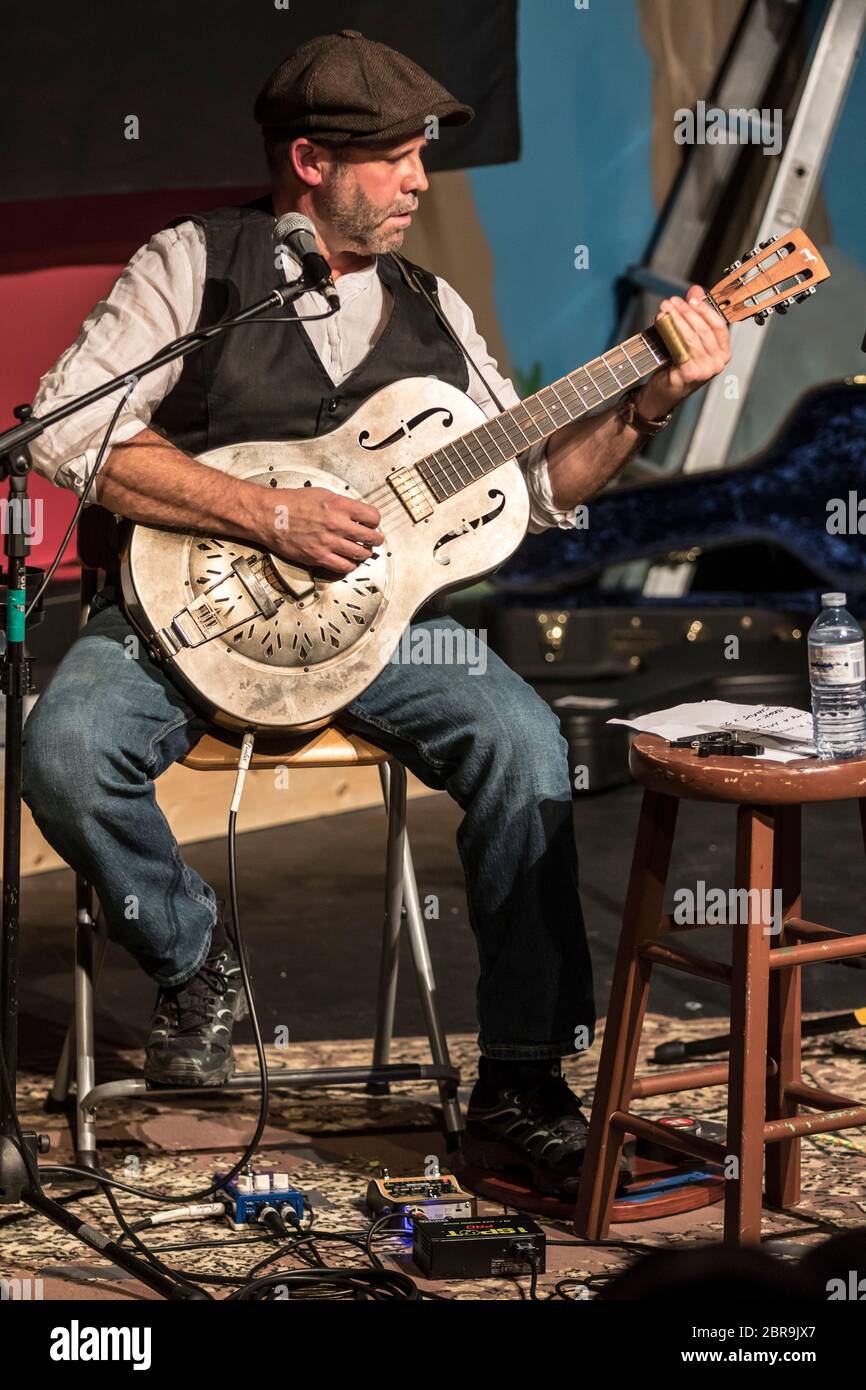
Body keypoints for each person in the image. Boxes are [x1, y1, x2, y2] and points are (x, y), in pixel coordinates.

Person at [22, 30, 730, 1198]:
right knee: (64, 747)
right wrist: (264, 513)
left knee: (524, 744)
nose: (418, 182)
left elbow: (541, 486)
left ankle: (521, 1077)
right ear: (309, 159)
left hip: (379, 628)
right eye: (395, 159)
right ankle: (194, 954)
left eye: (420, 157)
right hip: (179, 613)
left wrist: (650, 396)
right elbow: (65, 429)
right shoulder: (192, 263)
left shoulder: (431, 305)